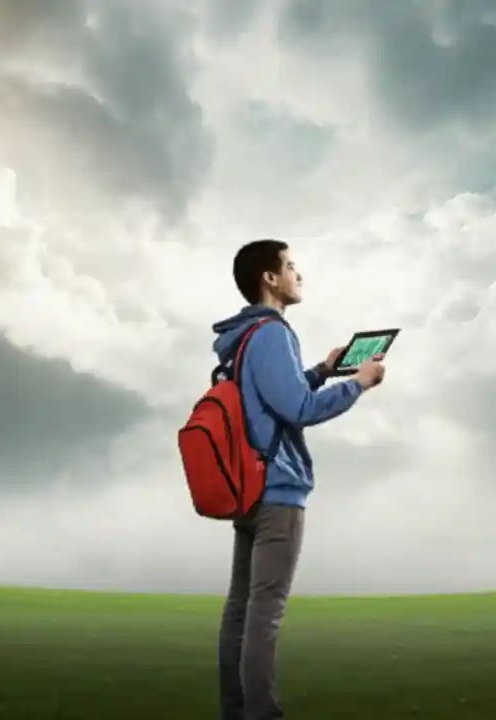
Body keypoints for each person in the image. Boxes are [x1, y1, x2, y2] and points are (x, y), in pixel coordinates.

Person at [211, 239, 387, 719]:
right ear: (269, 278)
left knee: (241, 610)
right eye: (290, 266)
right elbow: (299, 410)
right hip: (277, 492)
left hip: (248, 490)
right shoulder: (272, 333)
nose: (298, 274)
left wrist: (324, 370)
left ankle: (235, 711)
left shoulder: (245, 337)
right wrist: (357, 384)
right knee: (264, 615)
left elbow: (275, 396)